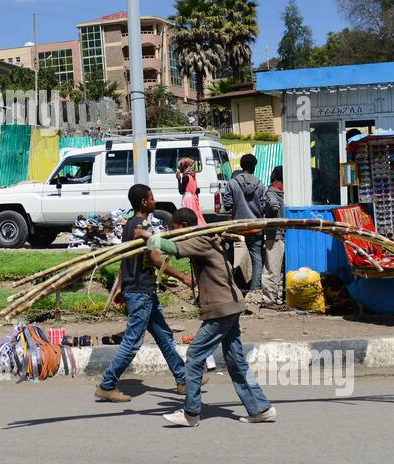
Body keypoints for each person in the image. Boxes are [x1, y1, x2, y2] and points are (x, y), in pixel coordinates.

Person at [152, 208, 275, 427]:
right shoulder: (207, 238)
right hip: (230, 304)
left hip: (222, 308)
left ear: (182, 226)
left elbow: (173, 247)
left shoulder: (200, 240)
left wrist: (149, 238)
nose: (173, 233)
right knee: (235, 360)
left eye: (173, 229)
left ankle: (190, 412)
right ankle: (260, 408)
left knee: (195, 355)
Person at [95, 184, 191, 402]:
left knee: (163, 335)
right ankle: (107, 385)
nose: (154, 201)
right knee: (132, 341)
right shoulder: (142, 225)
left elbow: (124, 259)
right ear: (143, 203)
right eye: (152, 198)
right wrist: (182, 277)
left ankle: (183, 378)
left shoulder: (130, 225)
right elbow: (156, 259)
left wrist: (121, 285)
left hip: (139, 288)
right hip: (140, 291)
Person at [221, 153, 267, 297]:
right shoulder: (260, 184)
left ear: (241, 166)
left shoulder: (233, 183)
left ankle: (229, 286)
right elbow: (264, 206)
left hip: (237, 228)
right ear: (254, 166)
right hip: (255, 226)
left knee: (228, 255)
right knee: (257, 258)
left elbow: (227, 205)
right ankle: (254, 290)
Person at [261, 166, 285, 304]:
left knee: (271, 268)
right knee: (279, 268)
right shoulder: (287, 191)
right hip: (286, 234)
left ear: (274, 176)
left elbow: (273, 206)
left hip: (274, 234)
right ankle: (278, 297)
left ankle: (269, 298)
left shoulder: (271, 191)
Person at [177, 157, 203, 222]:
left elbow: (181, 191)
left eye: (180, 167)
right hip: (193, 199)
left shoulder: (185, 177)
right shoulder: (193, 176)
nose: (179, 169)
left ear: (184, 167)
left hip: (187, 199)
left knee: (188, 219)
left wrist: (179, 180)